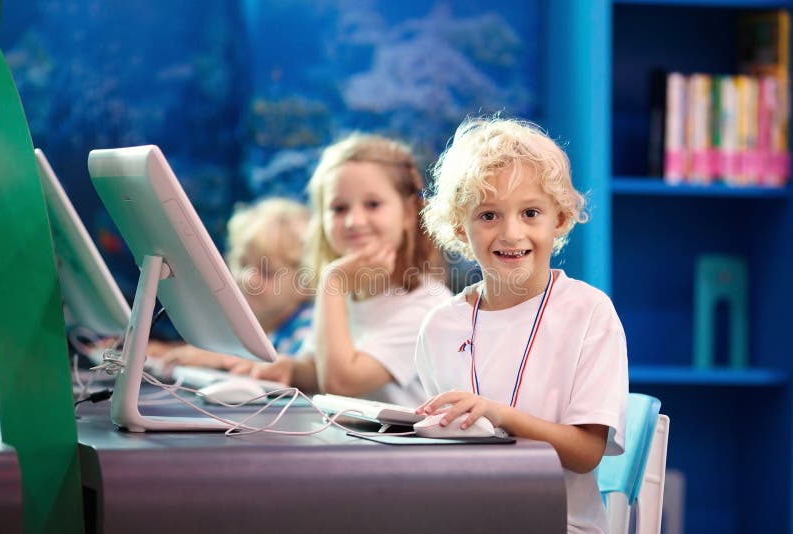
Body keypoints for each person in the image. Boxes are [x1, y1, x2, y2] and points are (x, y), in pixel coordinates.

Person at [415, 116, 628, 533]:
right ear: (460, 227)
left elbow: (586, 453)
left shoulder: (589, 313)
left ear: (560, 219)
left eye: (530, 213)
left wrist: (500, 414)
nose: (511, 233)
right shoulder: (438, 327)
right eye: (488, 215)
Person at [253, 133, 452, 406]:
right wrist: (291, 368)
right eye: (338, 208)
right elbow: (320, 369)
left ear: (408, 213)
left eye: (373, 205)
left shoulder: (428, 306)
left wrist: (332, 283)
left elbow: (340, 383)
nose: (354, 221)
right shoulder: (345, 292)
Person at [155, 197, 313, 369]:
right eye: (242, 263)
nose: (248, 278)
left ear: (305, 283)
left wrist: (224, 360)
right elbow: (205, 354)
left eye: (267, 272)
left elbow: (295, 371)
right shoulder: (253, 323)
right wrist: (165, 353)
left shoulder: (308, 327)